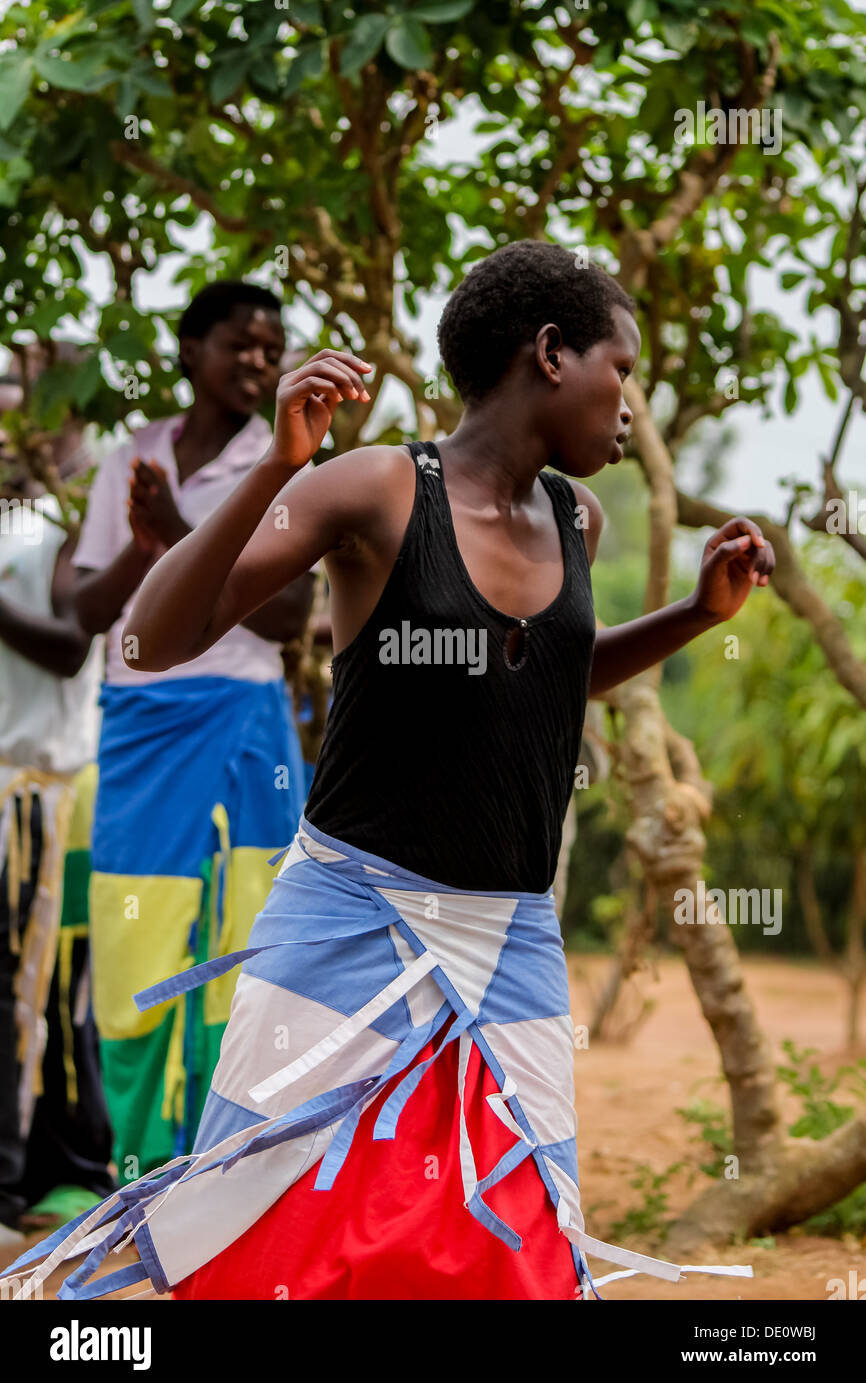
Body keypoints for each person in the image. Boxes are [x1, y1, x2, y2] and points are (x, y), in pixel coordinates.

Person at [3, 241, 773, 1300]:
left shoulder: (575, 517)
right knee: (259, 1224)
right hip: (348, 916)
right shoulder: (374, 487)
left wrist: (696, 613)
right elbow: (150, 638)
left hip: (510, 936)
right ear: (549, 354)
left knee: (517, 1242)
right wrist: (279, 465)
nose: (630, 401)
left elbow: (550, 676)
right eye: (622, 367)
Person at [70, 281, 315, 1184]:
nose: (258, 362)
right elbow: (85, 609)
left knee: (243, 939)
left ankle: (230, 1174)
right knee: (133, 935)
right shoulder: (128, 458)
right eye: (239, 344)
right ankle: (138, 1170)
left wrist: (177, 531)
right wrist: (144, 549)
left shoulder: (284, 465)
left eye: (271, 348)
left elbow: (288, 616)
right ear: (188, 348)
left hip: (243, 722)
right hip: (137, 723)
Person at [0, 367, 113, 1249]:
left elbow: (74, 648)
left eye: (24, 391)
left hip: (39, 794)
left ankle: (39, 1181)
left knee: (36, 991)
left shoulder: (75, 518)